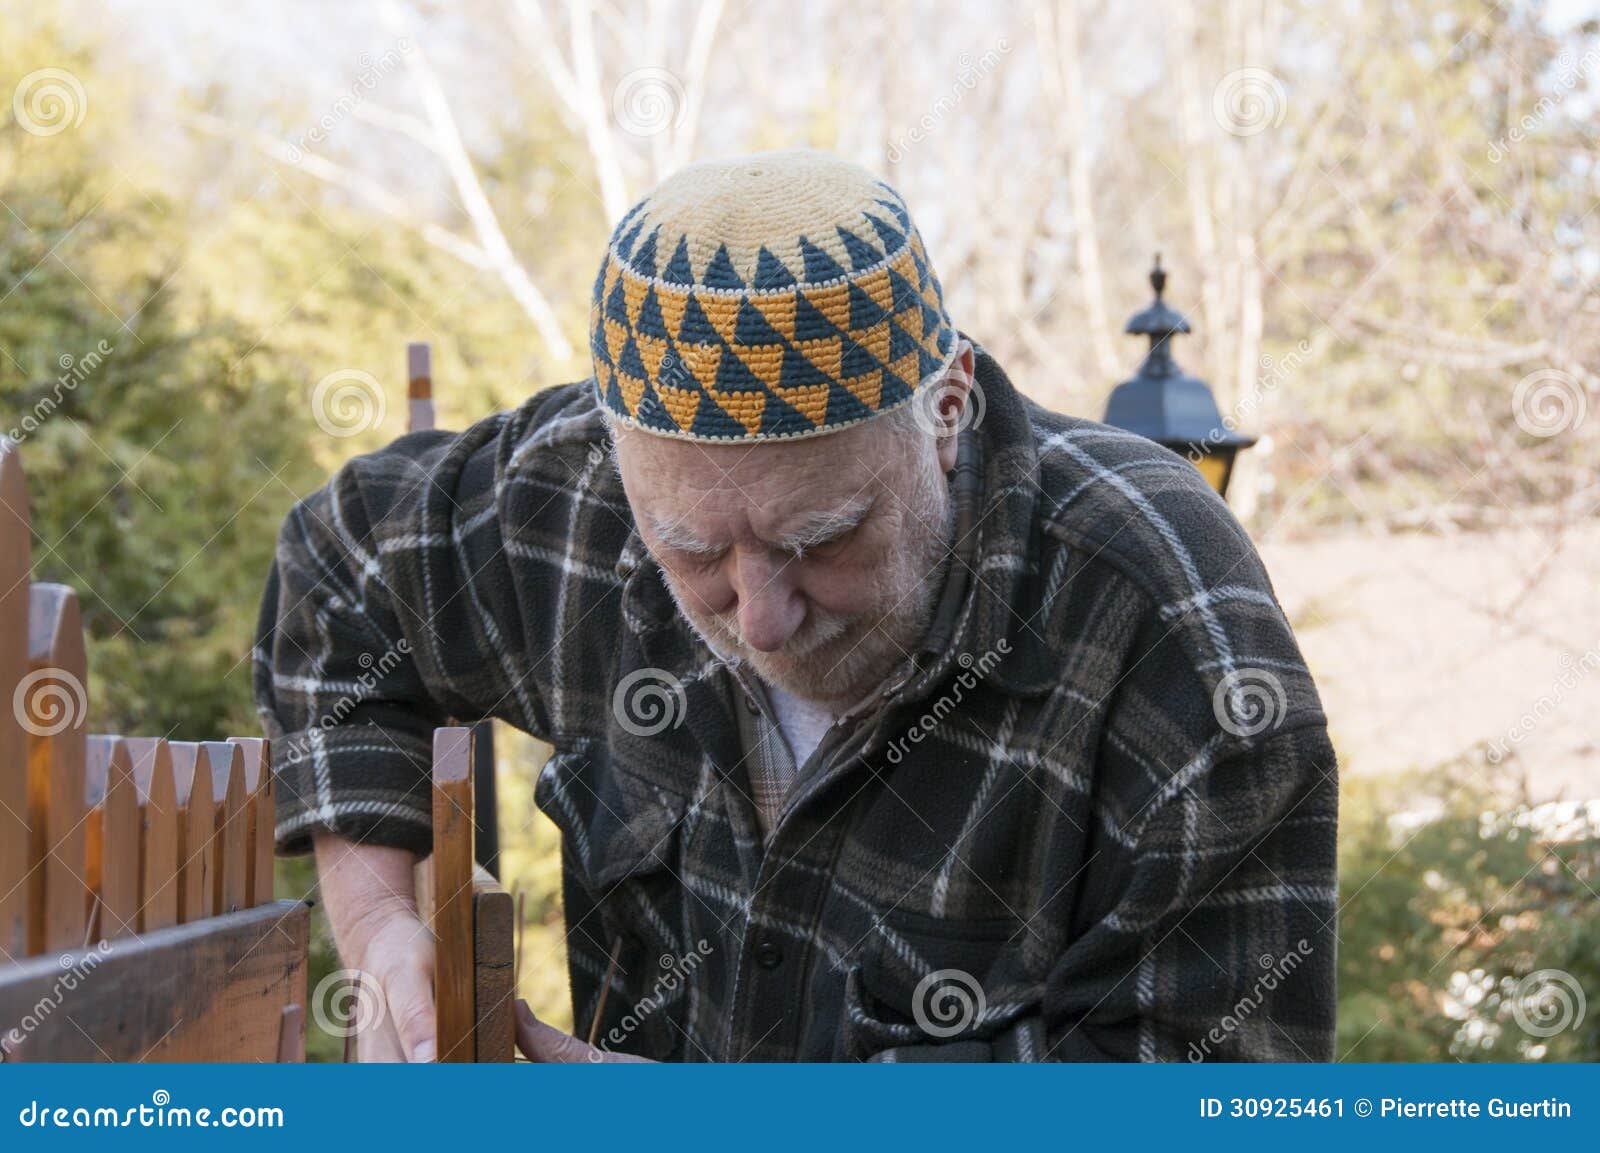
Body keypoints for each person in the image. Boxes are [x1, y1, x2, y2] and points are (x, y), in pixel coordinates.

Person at [254, 149, 1338, 1062]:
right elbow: (337, 575)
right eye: (693, 549)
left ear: (947, 409)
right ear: (617, 455)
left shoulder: (1165, 619)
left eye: (820, 538)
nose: (761, 618)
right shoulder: (576, 495)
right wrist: (379, 925)